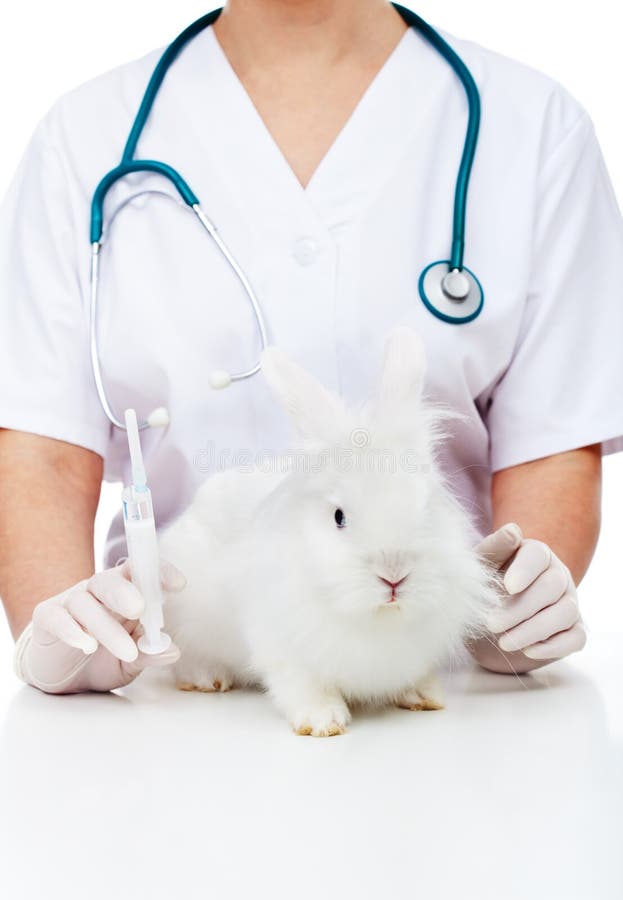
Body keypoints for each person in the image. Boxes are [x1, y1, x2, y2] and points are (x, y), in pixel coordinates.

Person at [1, 0, 622, 695]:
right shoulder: (81, 138)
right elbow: (42, 449)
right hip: (170, 674)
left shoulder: (536, 128)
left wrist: (515, 613)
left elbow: (551, 444)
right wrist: (62, 640)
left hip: (440, 680)